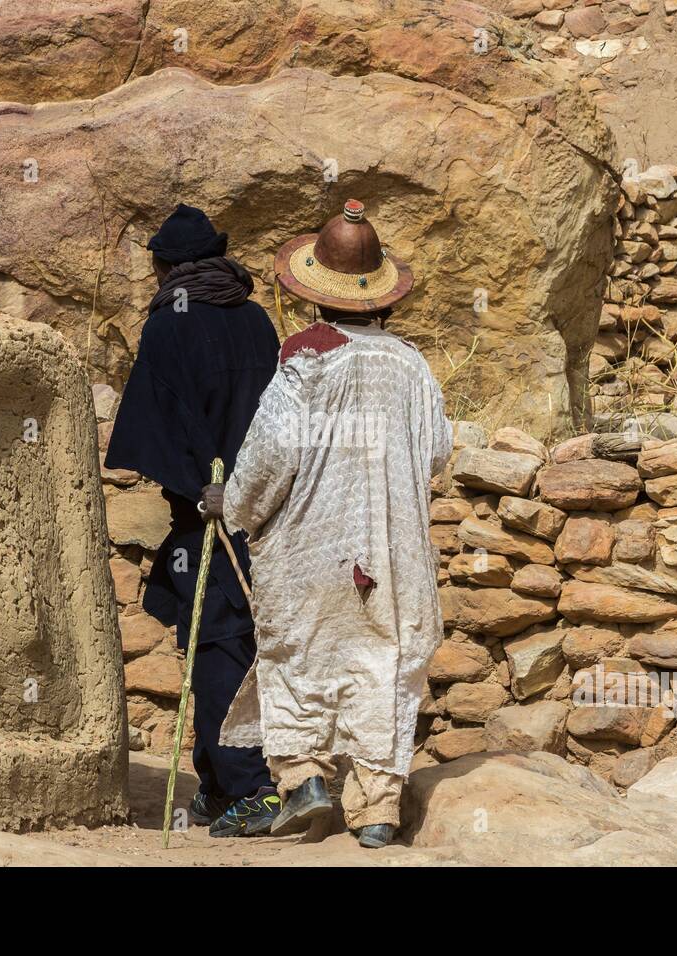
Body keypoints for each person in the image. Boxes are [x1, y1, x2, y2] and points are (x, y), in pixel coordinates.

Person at [203, 199, 452, 849]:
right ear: (380, 296)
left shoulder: (306, 355)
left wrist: (229, 502)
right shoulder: (411, 365)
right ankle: (375, 813)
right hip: (392, 551)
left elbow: (266, 462)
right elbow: (435, 453)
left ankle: (307, 780)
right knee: (384, 670)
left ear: (316, 293)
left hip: (314, 547)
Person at [104, 204, 282, 837]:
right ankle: (213, 779)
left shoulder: (169, 325)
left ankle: (250, 787)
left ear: (166, 267)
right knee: (238, 637)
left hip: (209, 511)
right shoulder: (257, 319)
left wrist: (200, 484)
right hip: (267, 512)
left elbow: (159, 423)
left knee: (214, 643)